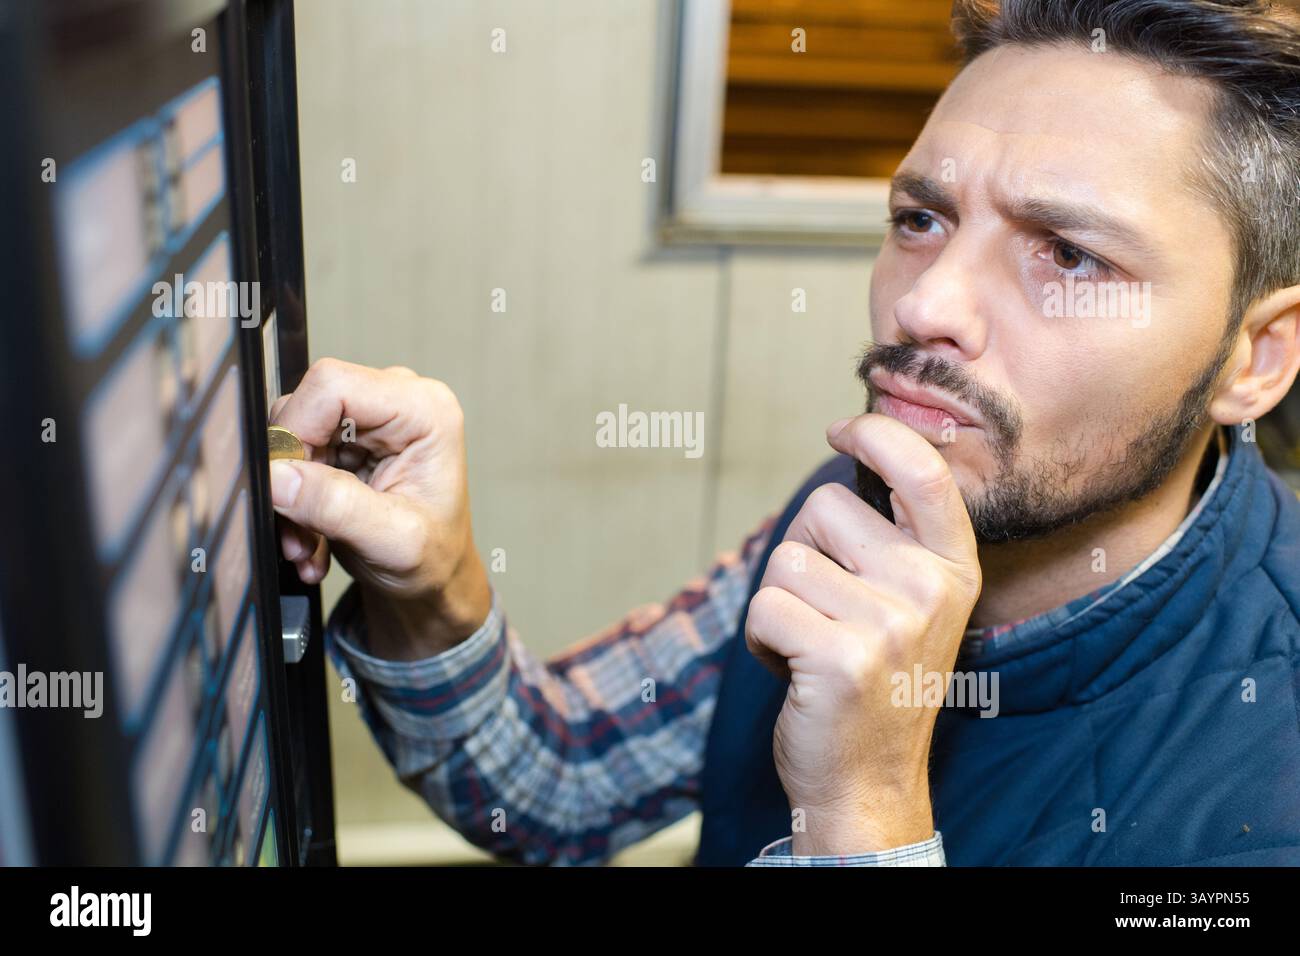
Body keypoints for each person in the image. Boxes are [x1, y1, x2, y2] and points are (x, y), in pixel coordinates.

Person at [266, 0, 1300, 866]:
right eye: (919, 218)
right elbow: (563, 778)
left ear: (1252, 359)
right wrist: (431, 587)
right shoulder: (874, 500)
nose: (926, 303)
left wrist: (863, 809)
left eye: (1068, 255)